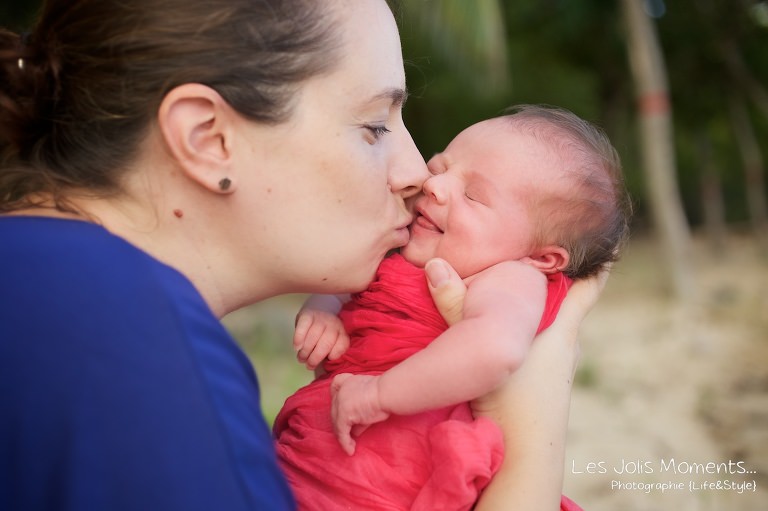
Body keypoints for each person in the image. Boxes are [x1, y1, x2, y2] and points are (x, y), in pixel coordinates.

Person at [0, 0, 605, 510]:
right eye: (374, 125)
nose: (418, 172)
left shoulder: (44, 287)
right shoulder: (142, 365)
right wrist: (530, 426)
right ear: (208, 140)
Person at [275, 105, 630, 510]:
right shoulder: (405, 241)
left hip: (398, 470)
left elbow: (494, 349)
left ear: (542, 257)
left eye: (473, 195)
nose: (436, 186)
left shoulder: (511, 277)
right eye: (441, 165)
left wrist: (379, 394)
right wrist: (324, 306)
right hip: (323, 449)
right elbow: (346, 279)